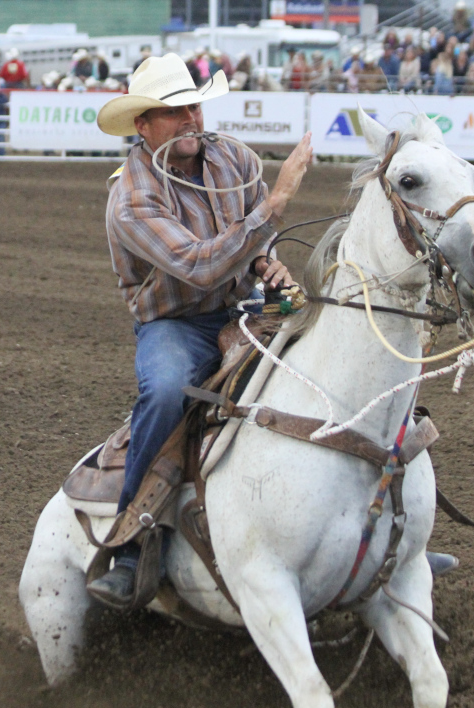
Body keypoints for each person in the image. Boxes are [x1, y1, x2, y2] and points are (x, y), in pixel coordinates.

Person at [86, 53, 314, 608]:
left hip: (242, 305)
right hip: (175, 323)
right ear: (143, 126)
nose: (190, 118)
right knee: (164, 392)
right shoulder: (131, 197)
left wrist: (268, 266)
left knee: (327, 359)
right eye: (174, 111)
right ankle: (132, 542)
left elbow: (251, 238)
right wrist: (278, 203)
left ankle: (364, 527)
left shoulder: (231, 156)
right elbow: (200, 264)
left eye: (193, 105)